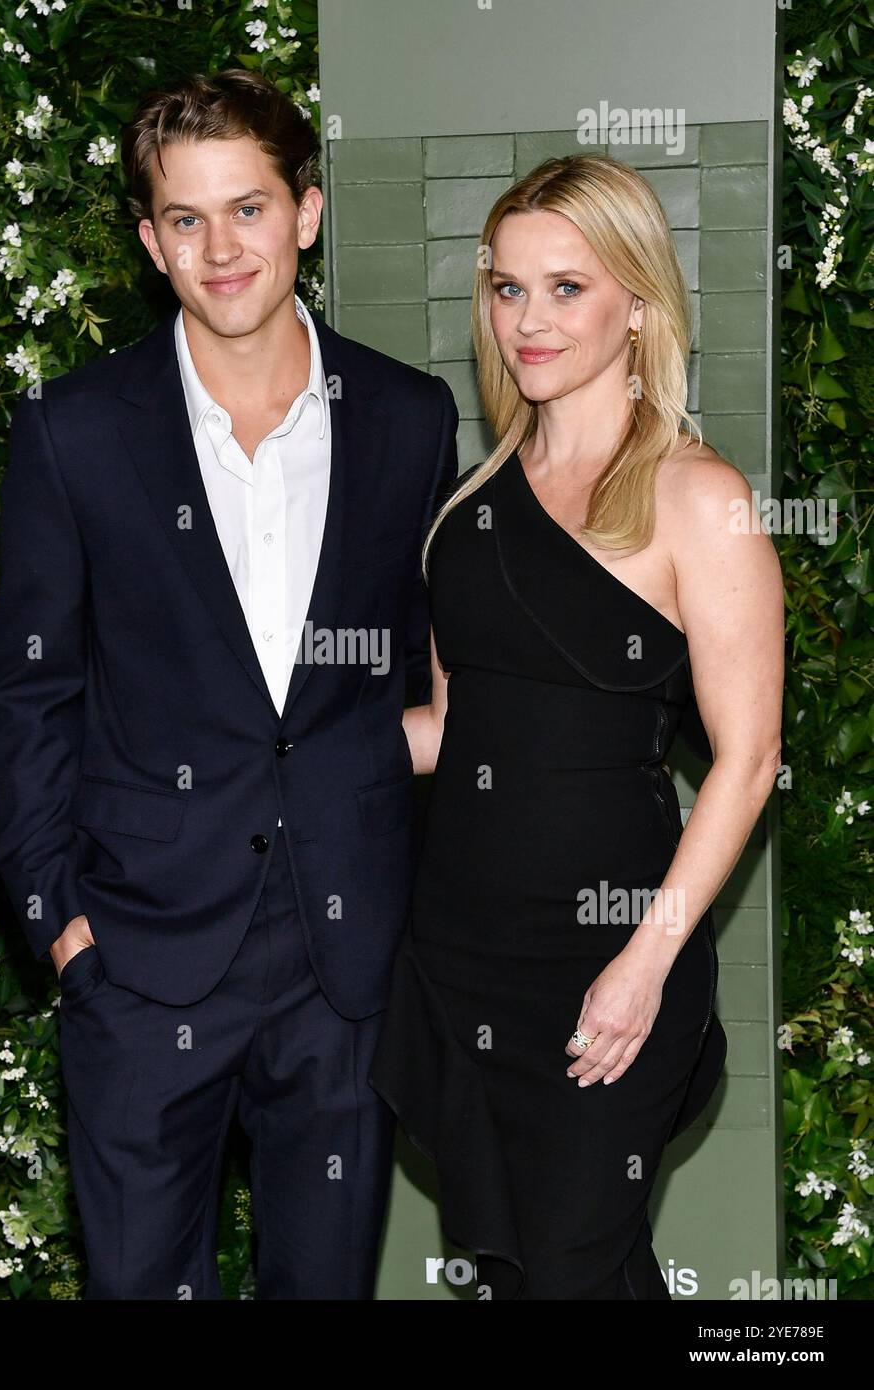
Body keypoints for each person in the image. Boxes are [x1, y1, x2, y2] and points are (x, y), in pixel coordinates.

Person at [0, 68, 458, 1299]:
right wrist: (58, 923)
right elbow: (31, 689)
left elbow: (417, 669)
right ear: (150, 241)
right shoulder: (74, 431)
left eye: (248, 209)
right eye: (185, 219)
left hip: (343, 966)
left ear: (306, 211)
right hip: (136, 958)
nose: (221, 247)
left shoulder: (407, 419)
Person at [368, 154, 784, 1300]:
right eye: (507, 288)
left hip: (609, 955)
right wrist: (286, 749)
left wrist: (647, 961)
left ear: (638, 303)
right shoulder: (472, 504)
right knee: (531, 1278)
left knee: (567, 1268)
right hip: (462, 958)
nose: (528, 320)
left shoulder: (699, 498)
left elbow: (748, 763)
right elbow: (453, 727)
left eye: (566, 287)